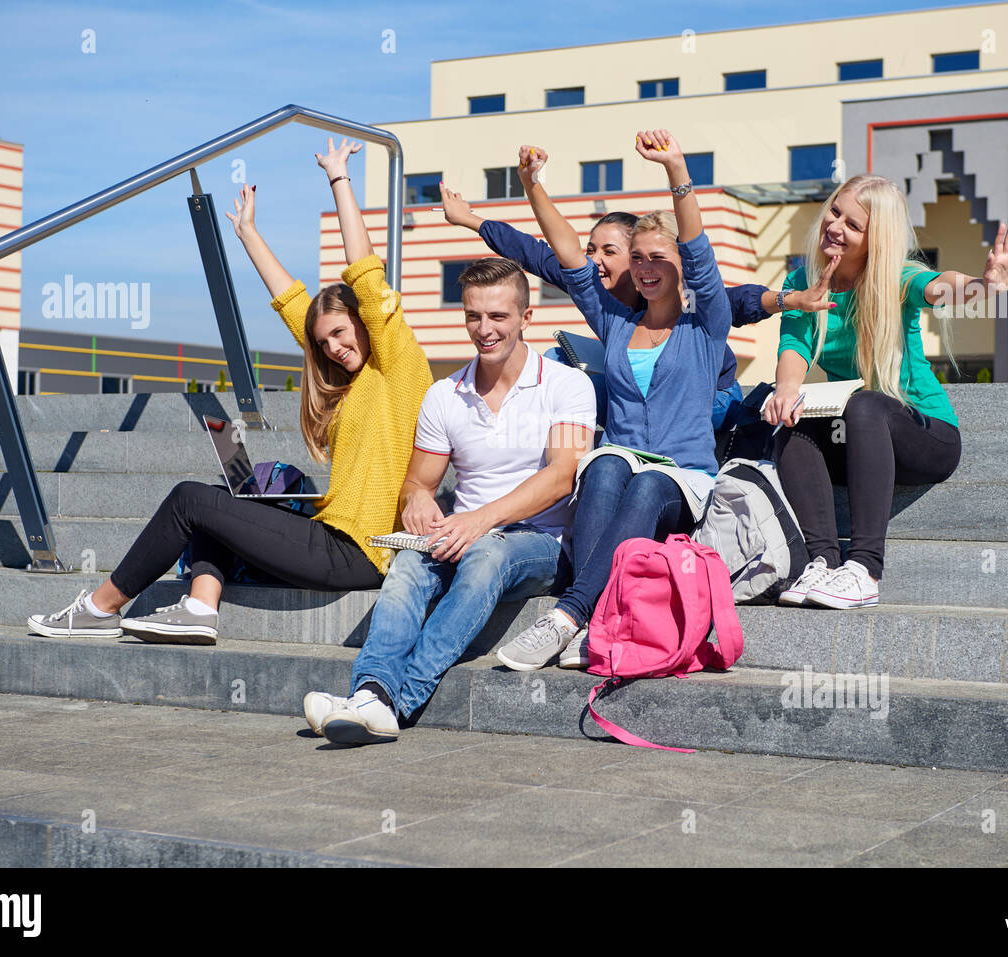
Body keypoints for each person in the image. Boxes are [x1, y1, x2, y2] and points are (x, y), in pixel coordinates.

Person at [27, 139, 432, 644]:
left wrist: (338, 179)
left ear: (367, 323)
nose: (332, 347)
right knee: (218, 501)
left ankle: (100, 607)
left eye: (342, 332)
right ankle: (199, 606)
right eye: (324, 340)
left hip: (356, 550)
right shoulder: (347, 386)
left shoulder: (397, 368)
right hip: (333, 538)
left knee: (188, 500)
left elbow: (366, 273)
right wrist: (247, 233)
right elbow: (294, 306)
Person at [302, 257, 597, 745]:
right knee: (409, 565)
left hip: (541, 541)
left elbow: (561, 477)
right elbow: (418, 483)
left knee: (488, 551)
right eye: (473, 316)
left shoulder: (567, 385)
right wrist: (417, 501)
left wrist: (478, 521)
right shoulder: (445, 394)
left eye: (498, 317)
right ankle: (371, 692)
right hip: (462, 532)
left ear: (527, 318)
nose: (484, 329)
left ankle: (398, 701)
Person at [495, 129, 734, 671]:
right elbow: (569, 258)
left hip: (682, 474)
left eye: (660, 258)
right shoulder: (616, 322)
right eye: (640, 258)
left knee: (649, 481)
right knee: (602, 467)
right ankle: (598, 617)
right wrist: (533, 185)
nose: (647, 268)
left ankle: (569, 614)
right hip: (621, 462)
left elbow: (698, 249)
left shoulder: (706, 324)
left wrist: (676, 169)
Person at [768, 174, 1008, 609]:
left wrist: (983, 286)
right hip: (855, 437)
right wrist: (787, 391)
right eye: (835, 212)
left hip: (926, 435)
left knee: (866, 405)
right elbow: (794, 344)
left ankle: (865, 570)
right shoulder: (804, 279)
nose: (836, 227)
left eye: (853, 225)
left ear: (877, 238)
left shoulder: (894, 276)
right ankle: (822, 563)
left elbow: (935, 287)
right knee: (791, 423)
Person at [438, 174, 835, 428]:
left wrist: (792, 298)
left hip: (705, 393)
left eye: (608, 252)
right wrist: (471, 219)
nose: (594, 262)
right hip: (636, 390)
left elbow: (735, 301)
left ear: (637, 257)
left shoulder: (676, 294)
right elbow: (532, 252)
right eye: (590, 250)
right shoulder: (594, 288)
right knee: (559, 363)